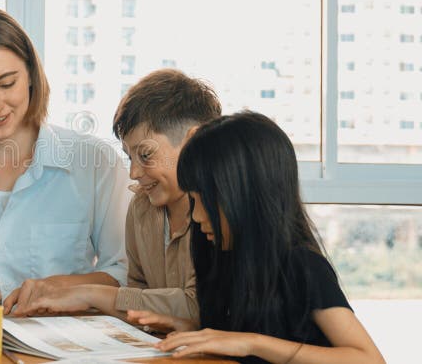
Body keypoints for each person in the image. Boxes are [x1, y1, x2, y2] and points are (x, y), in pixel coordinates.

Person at [136, 111, 385, 363]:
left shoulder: (302, 266)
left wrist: (252, 343)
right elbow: (243, 336)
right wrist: (193, 331)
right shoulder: (220, 254)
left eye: (206, 201)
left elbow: (369, 359)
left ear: (247, 197)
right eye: (193, 200)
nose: (198, 217)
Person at [0, 8, 130, 313]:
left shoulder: (94, 162)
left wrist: (62, 286)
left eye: (7, 83)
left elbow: (126, 273)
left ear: (31, 77)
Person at [13, 69, 220, 327]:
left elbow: (199, 304)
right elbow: (137, 295)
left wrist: (89, 293)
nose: (133, 173)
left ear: (193, 141)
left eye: (145, 155)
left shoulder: (218, 214)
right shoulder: (142, 208)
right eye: (129, 156)